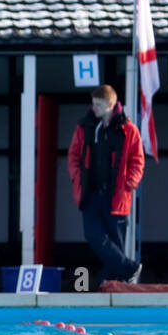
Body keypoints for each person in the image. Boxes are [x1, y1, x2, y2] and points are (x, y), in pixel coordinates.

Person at [67, 85, 145, 285]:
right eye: (93, 104)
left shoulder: (128, 130)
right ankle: (129, 268)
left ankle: (110, 284)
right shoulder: (85, 126)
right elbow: (74, 155)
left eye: (98, 104)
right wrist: (77, 177)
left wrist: (129, 184)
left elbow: (137, 161)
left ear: (110, 105)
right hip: (91, 193)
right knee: (93, 235)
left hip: (116, 195)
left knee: (114, 242)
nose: (94, 108)